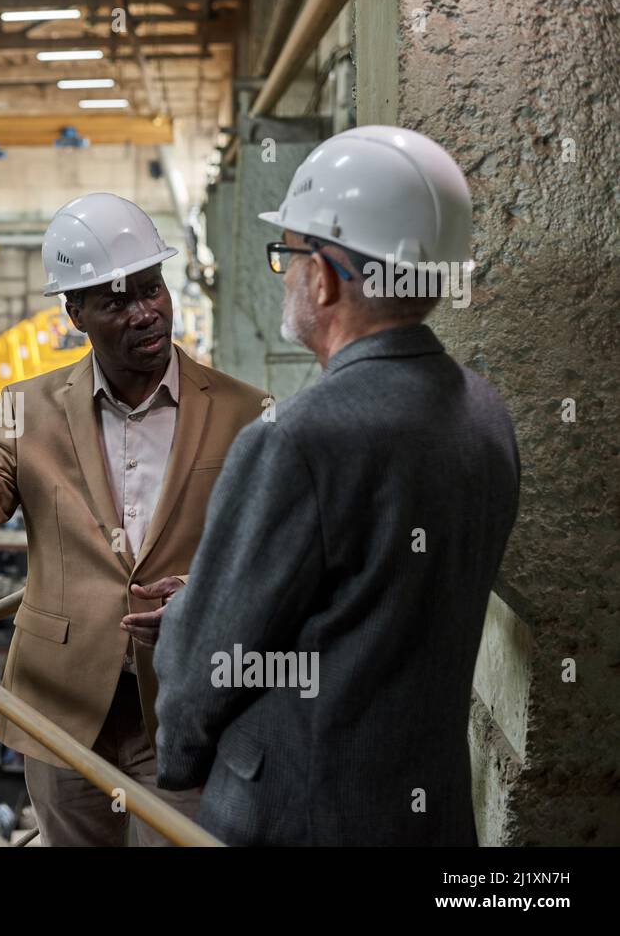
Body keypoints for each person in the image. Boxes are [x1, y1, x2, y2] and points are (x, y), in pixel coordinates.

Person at [153, 126, 521, 846]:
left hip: (298, 817)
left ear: (322, 275)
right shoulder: (486, 413)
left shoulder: (295, 438)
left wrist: (179, 745)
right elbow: (372, 598)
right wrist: (212, 596)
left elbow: (205, 668)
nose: (285, 274)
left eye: (288, 253)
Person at [0, 192, 267, 846]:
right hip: (60, 711)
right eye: (116, 300)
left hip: (183, 708)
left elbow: (274, 565)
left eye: (152, 288)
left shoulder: (242, 412)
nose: (146, 312)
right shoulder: (27, 410)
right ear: (75, 310)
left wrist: (207, 603)